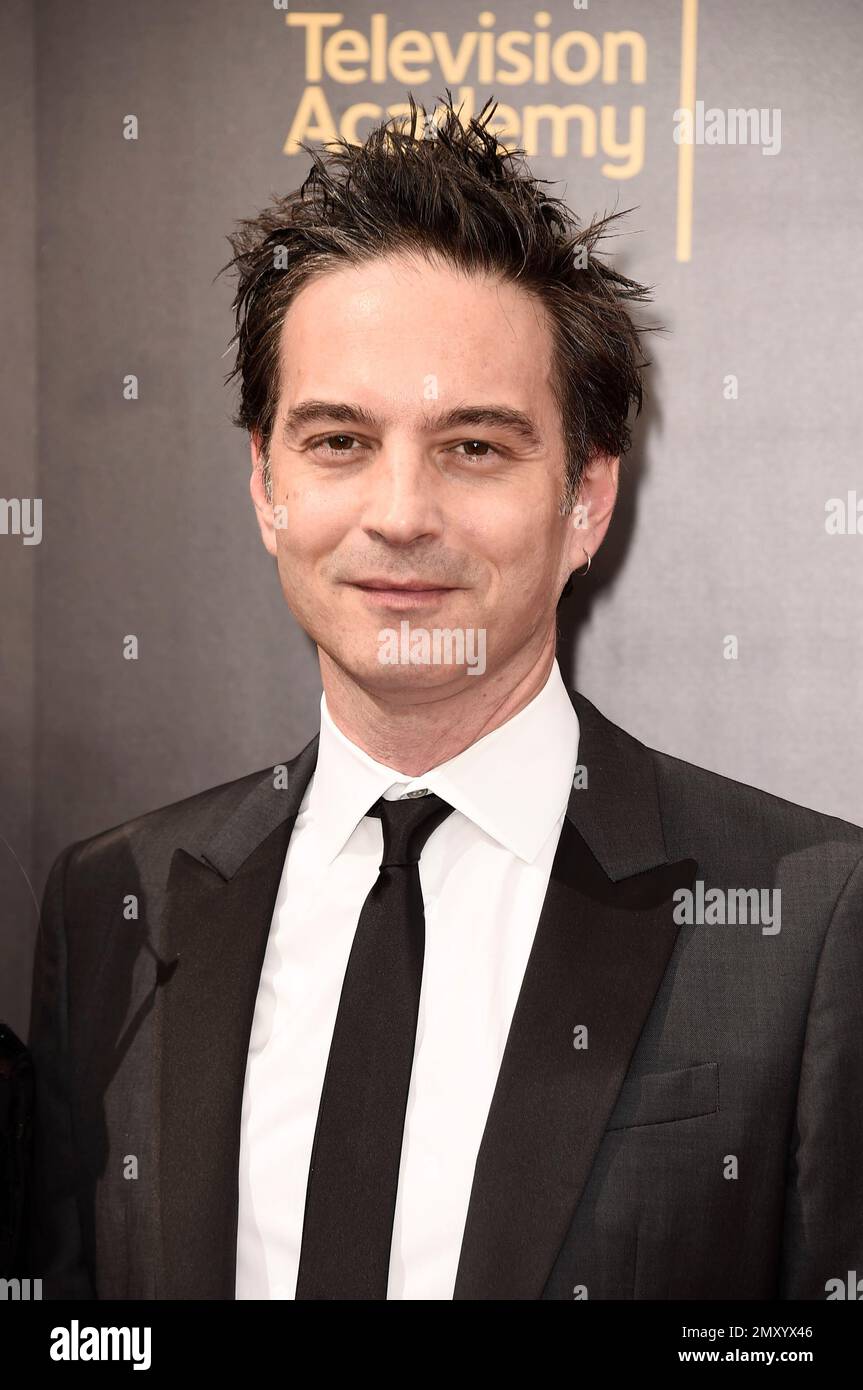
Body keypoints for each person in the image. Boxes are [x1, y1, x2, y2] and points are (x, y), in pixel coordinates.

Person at [28, 95, 863, 1300]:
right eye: (336, 441)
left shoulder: (806, 918)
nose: (400, 512)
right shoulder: (113, 902)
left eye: (473, 445)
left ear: (584, 499)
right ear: (263, 484)